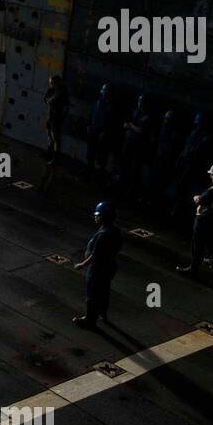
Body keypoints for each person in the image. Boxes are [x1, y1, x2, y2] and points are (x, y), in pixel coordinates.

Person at [73, 200, 123, 329]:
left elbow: (95, 255)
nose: (95, 217)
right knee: (104, 290)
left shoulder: (103, 234)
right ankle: (102, 313)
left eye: (98, 215)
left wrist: (82, 264)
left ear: (103, 216)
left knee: (92, 293)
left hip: (98, 268)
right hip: (109, 266)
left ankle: (90, 320)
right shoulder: (114, 230)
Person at [177, 163, 213, 276]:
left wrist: (196, 197)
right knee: (211, 241)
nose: (211, 177)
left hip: (204, 218)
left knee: (197, 244)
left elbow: (200, 200)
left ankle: (193, 269)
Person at [169, 113, 212, 218]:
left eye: (199, 124)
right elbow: (186, 148)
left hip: (191, 166)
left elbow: (197, 153)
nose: (197, 126)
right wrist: (179, 159)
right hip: (184, 163)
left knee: (183, 188)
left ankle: (178, 209)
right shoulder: (193, 133)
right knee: (179, 186)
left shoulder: (205, 138)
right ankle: (176, 207)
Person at [119, 94, 153, 198]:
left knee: (135, 169)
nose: (140, 104)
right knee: (124, 164)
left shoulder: (147, 116)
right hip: (128, 143)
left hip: (138, 147)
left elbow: (141, 130)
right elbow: (125, 124)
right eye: (139, 101)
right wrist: (132, 126)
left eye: (142, 102)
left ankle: (132, 191)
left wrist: (131, 125)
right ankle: (122, 186)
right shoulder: (134, 112)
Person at [85, 84, 118, 179]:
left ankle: (99, 174)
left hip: (103, 133)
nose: (104, 94)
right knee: (90, 152)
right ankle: (89, 169)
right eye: (104, 92)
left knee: (102, 155)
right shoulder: (99, 101)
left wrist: (105, 132)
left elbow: (112, 122)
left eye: (106, 92)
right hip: (93, 130)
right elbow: (92, 113)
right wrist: (89, 124)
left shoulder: (112, 106)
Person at [44, 74, 69, 165]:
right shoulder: (51, 90)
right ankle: (49, 153)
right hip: (50, 116)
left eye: (52, 82)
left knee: (56, 139)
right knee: (49, 136)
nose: (51, 84)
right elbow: (46, 100)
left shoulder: (63, 92)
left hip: (57, 118)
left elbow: (66, 107)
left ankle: (55, 159)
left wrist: (63, 118)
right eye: (51, 82)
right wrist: (53, 97)